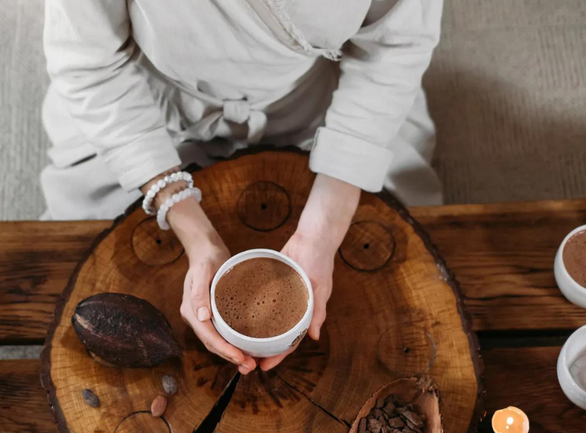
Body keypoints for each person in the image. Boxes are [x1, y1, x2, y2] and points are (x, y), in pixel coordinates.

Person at [41, 0, 444, 375]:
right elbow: (90, 63)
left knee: (402, 247)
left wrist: (322, 232)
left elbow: (395, 44)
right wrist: (193, 231)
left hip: (320, 106)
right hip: (150, 108)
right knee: (84, 260)